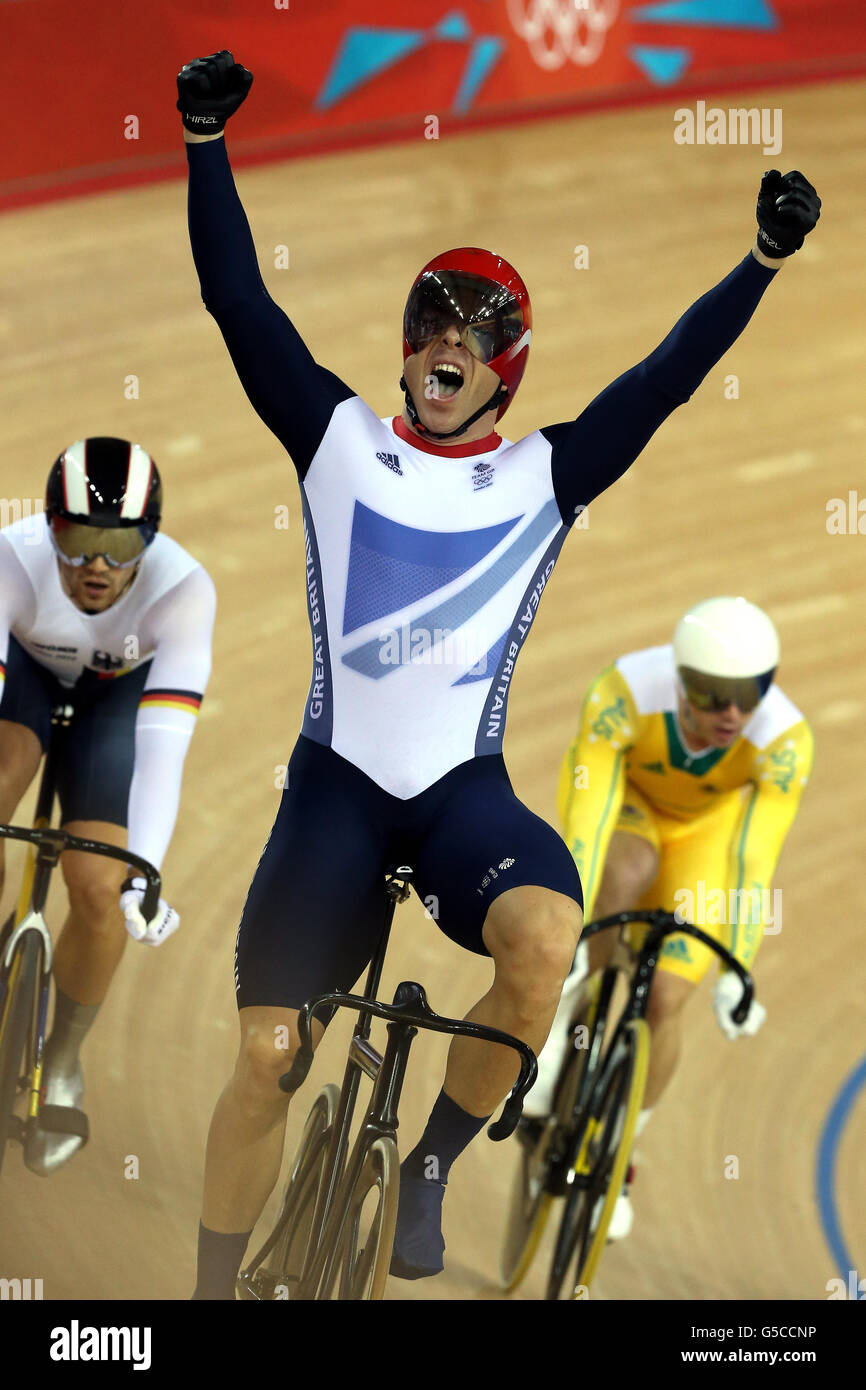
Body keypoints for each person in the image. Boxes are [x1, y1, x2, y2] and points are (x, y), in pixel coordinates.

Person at [175, 50, 821, 1296]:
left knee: (545, 941)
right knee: (263, 1060)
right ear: (406, 346)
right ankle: (209, 1290)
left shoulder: (545, 475)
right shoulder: (335, 439)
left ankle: (428, 1162)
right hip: (336, 794)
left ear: (503, 368)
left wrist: (759, 261)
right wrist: (203, 138)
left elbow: (664, 380)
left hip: (458, 793)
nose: (443, 344)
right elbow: (236, 300)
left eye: (471, 334)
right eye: (429, 323)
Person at [524, 596, 814, 1239]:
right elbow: (589, 821)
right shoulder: (623, 693)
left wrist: (739, 967)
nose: (732, 713)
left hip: (704, 843)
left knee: (664, 1002)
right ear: (682, 680)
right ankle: (568, 1027)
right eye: (714, 695)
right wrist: (573, 915)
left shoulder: (785, 740)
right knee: (619, 878)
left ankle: (623, 1152)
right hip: (631, 815)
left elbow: (750, 859)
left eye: (750, 694)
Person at [0, 437, 215, 1172]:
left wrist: (145, 873)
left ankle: (62, 1056)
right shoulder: (10, 558)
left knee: (99, 886)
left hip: (116, 702)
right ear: (50, 528)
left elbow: (163, 749)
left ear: (147, 542)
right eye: (82, 540)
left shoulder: (184, 590)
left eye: (119, 546)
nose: (97, 565)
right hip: (23, 677)